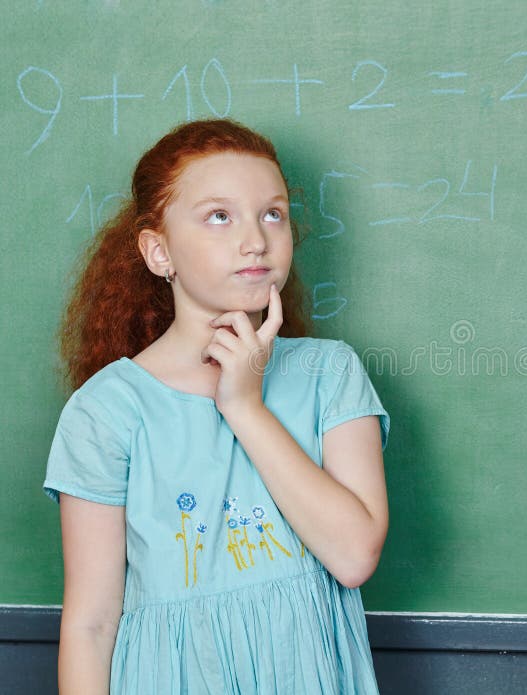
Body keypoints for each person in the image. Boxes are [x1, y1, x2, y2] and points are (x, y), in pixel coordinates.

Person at [43, 118, 390, 694]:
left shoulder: (329, 373)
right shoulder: (106, 409)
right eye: (219, 216)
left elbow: (354, 556)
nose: (255, 240)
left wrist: (246, 406)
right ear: (159, 252)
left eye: (272, 214)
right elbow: (91, 623)